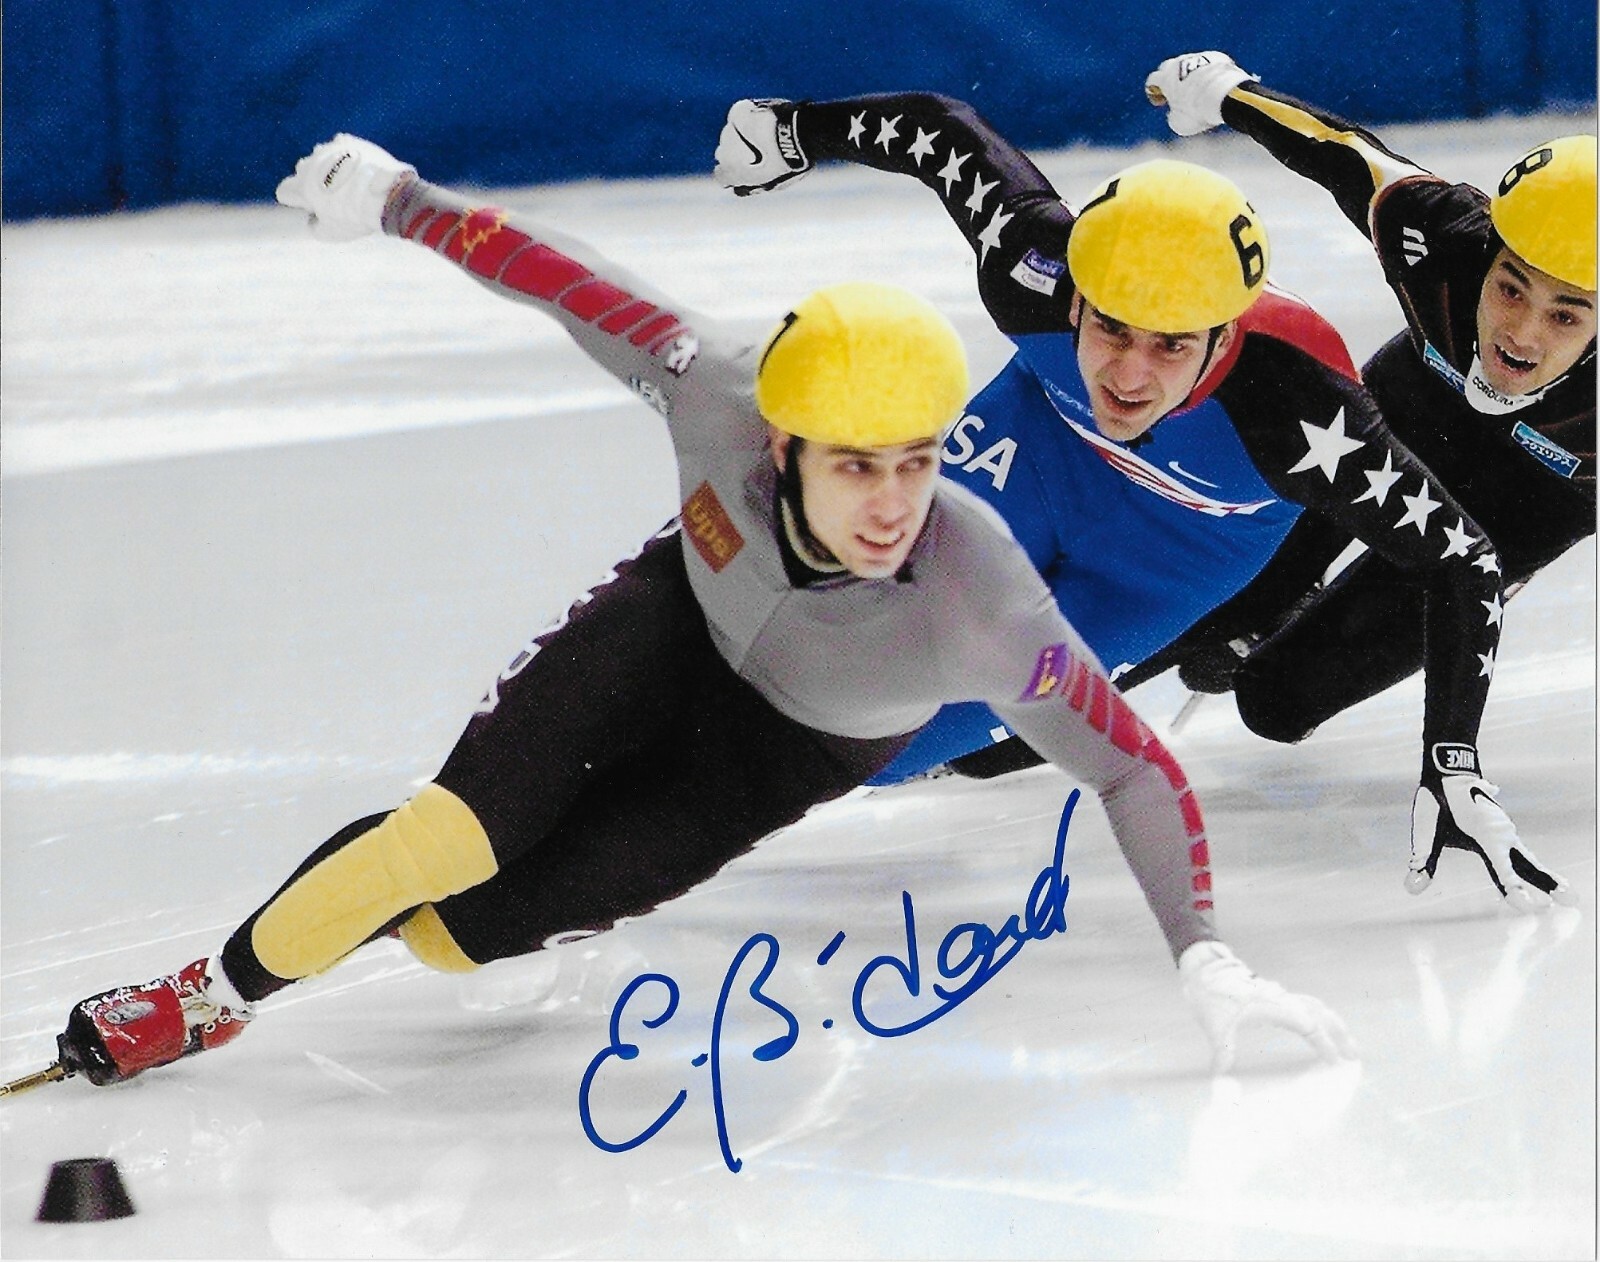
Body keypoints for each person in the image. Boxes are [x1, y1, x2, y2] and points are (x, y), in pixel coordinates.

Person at [46, 135, 1351, 1091]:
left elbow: (1131, 767)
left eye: (917, 460)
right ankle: (207, 996)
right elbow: (565, 278)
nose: (893, 502)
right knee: (444, 838)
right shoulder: (718, 387)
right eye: (854, 465)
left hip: (780, 754)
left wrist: (1205, 960)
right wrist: (401, 200)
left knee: (455, 935)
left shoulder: (978, 592)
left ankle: (373, 900)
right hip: (672, 618)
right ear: (778, 442)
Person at [714, 93, 1571, 908]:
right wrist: (794, 131)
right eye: (1111, 326)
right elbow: (940, 131)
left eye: (1170, 344)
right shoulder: (1029, 263)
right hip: (1044, 448)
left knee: (892, 744)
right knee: (822, 599)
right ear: (1074, 292)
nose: (1127, 376)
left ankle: (1259, 618)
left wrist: (1452, 757)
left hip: (1172, 558)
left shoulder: (1300, 413)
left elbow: (1463, 556)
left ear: (1227, 337)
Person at [1138, 51, 1595, 846]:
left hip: (1524, 508)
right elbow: (1337, 149)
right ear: (1487, 253)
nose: (1519, 335)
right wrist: (1223, 91)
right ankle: (1272, 602)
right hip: (1412, 409)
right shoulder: (1440, 234)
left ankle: (1300, 619)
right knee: (1217, 608)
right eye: (1511, 287)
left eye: (1567, 315)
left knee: (1272, 702)